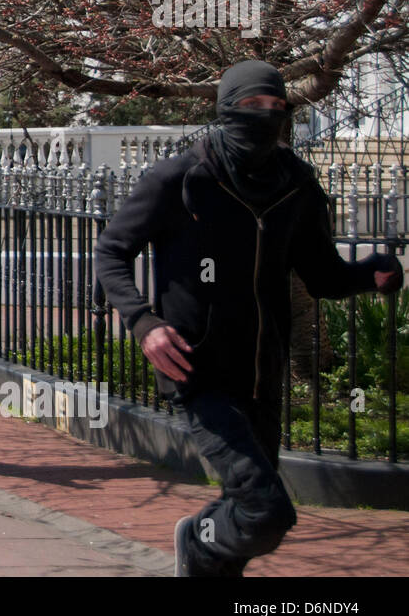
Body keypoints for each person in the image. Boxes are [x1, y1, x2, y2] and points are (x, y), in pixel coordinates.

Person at [94, 60, 404, 577]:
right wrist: (144, 323)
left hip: (263, 372)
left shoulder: (296, 184)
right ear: (225, 110)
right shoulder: (182, 177)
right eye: (251, 107)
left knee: (247, 513)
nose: (266, 117)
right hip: (195, 368)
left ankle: (205, 553)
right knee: (266, 510)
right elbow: (112, 251)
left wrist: (371, 273)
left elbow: (322, 275)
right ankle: (197, 537)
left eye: (276, 108)